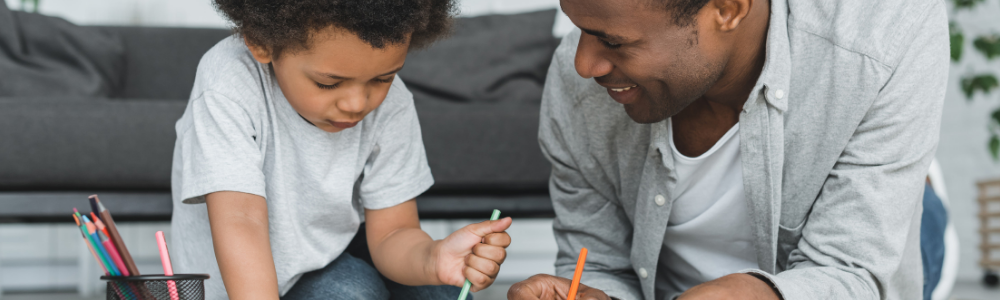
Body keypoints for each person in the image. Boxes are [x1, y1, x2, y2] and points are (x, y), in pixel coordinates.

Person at [509, 0, 948, 299]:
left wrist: (761, 293)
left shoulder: (882, 41)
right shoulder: (577, 82)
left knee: (913, 232)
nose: (584, 65)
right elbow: (598, 264)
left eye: (613, 42)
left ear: (727, 9)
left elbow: (857, 271)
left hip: (862, 242)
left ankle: (917, 192)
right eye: (579, 26)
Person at [169, 1, 513, 299]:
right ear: (263, 43)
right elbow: (240, 221)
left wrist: (433, 258)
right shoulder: (227, 84)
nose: (357, 104)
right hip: (245, 288)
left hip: (325, 254)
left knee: (439, 290)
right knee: (352, 291)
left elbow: (393, 233)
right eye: (328, 83)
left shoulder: (392, 104)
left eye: (383, 79)